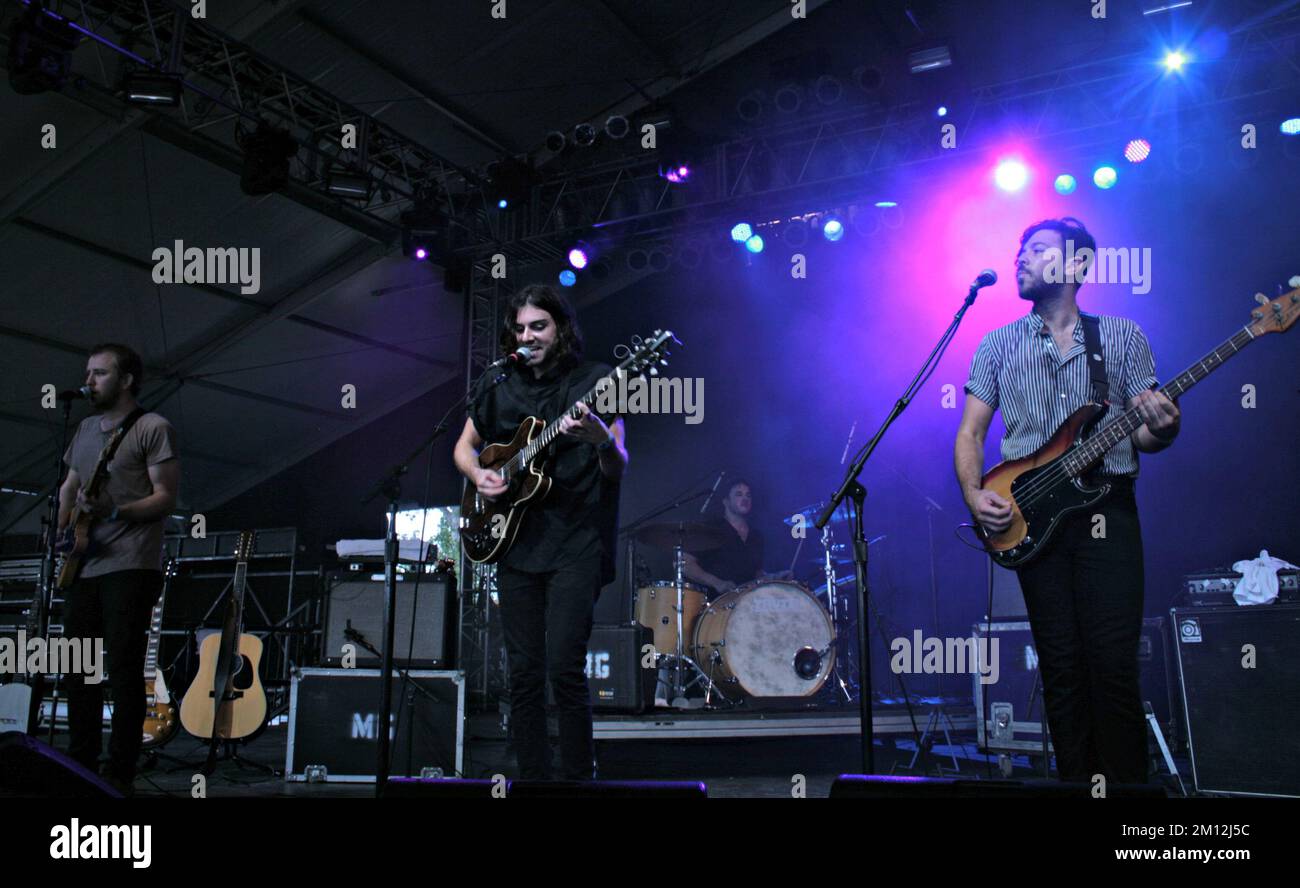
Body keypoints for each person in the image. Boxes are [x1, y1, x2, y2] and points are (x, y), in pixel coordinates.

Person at [954, 217, 1180, 784]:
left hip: (1108, 512)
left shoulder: (1121, 338)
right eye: (1019, 250)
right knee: (1061, 667)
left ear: (1077, 265)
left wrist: (1165, 425)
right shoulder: (997, 343)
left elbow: (1146, 437)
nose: (1020, 258)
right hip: (1031, 517)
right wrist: (975, 495)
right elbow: (972, 435)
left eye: (1036, 249)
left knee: (1112, 663)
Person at [453, 285, 626, 780]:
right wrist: (477, 475)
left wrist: (600, 443)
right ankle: (531, 779)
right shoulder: (499, 384)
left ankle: (577, 779)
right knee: (523, 674)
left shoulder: (596, 382)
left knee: (563, 669)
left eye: (539, 326)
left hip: (577, 542)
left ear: (561, 328)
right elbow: (464, 447)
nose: (528, 336)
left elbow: (617, 469)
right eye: (522, 328)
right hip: (516, 543)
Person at [58, 343, 179, 796]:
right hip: (85, 565)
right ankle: (80, 762)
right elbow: (70, 485)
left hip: (132, 564)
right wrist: (67, 528)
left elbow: (165, 496)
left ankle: (119, 771)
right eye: (88, 373)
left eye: (99, 374)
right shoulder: (86, 427)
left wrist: (114, 512)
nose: (88, 381)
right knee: (79, 670)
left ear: (126, 380)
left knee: (124, 670)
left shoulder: (153, 427)